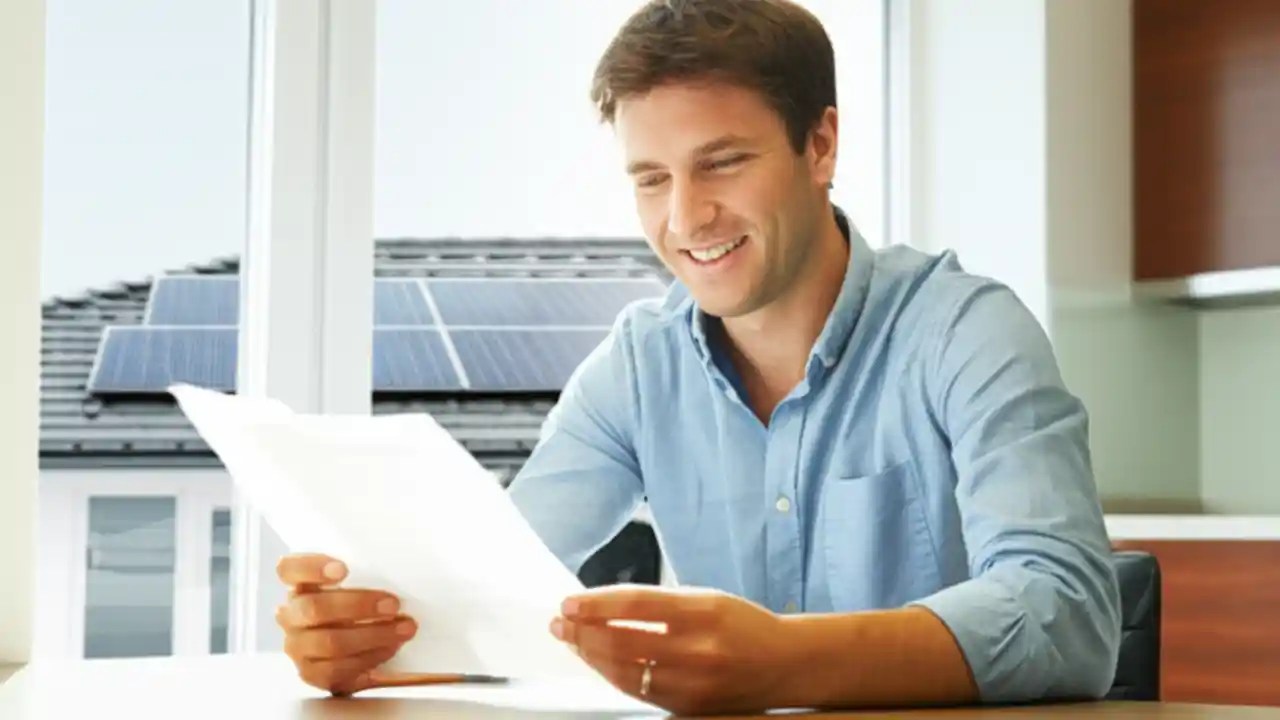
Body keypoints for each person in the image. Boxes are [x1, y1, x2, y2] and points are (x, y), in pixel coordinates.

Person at [274, 0, 1121, 714]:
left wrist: (788, 659)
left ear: (821, 145)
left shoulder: (965, 332)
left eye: (722, 163)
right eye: (651, 179)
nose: (685, 219)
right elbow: (501, 584)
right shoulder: (638, 368)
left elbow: (1068, 615)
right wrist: (375, 636)